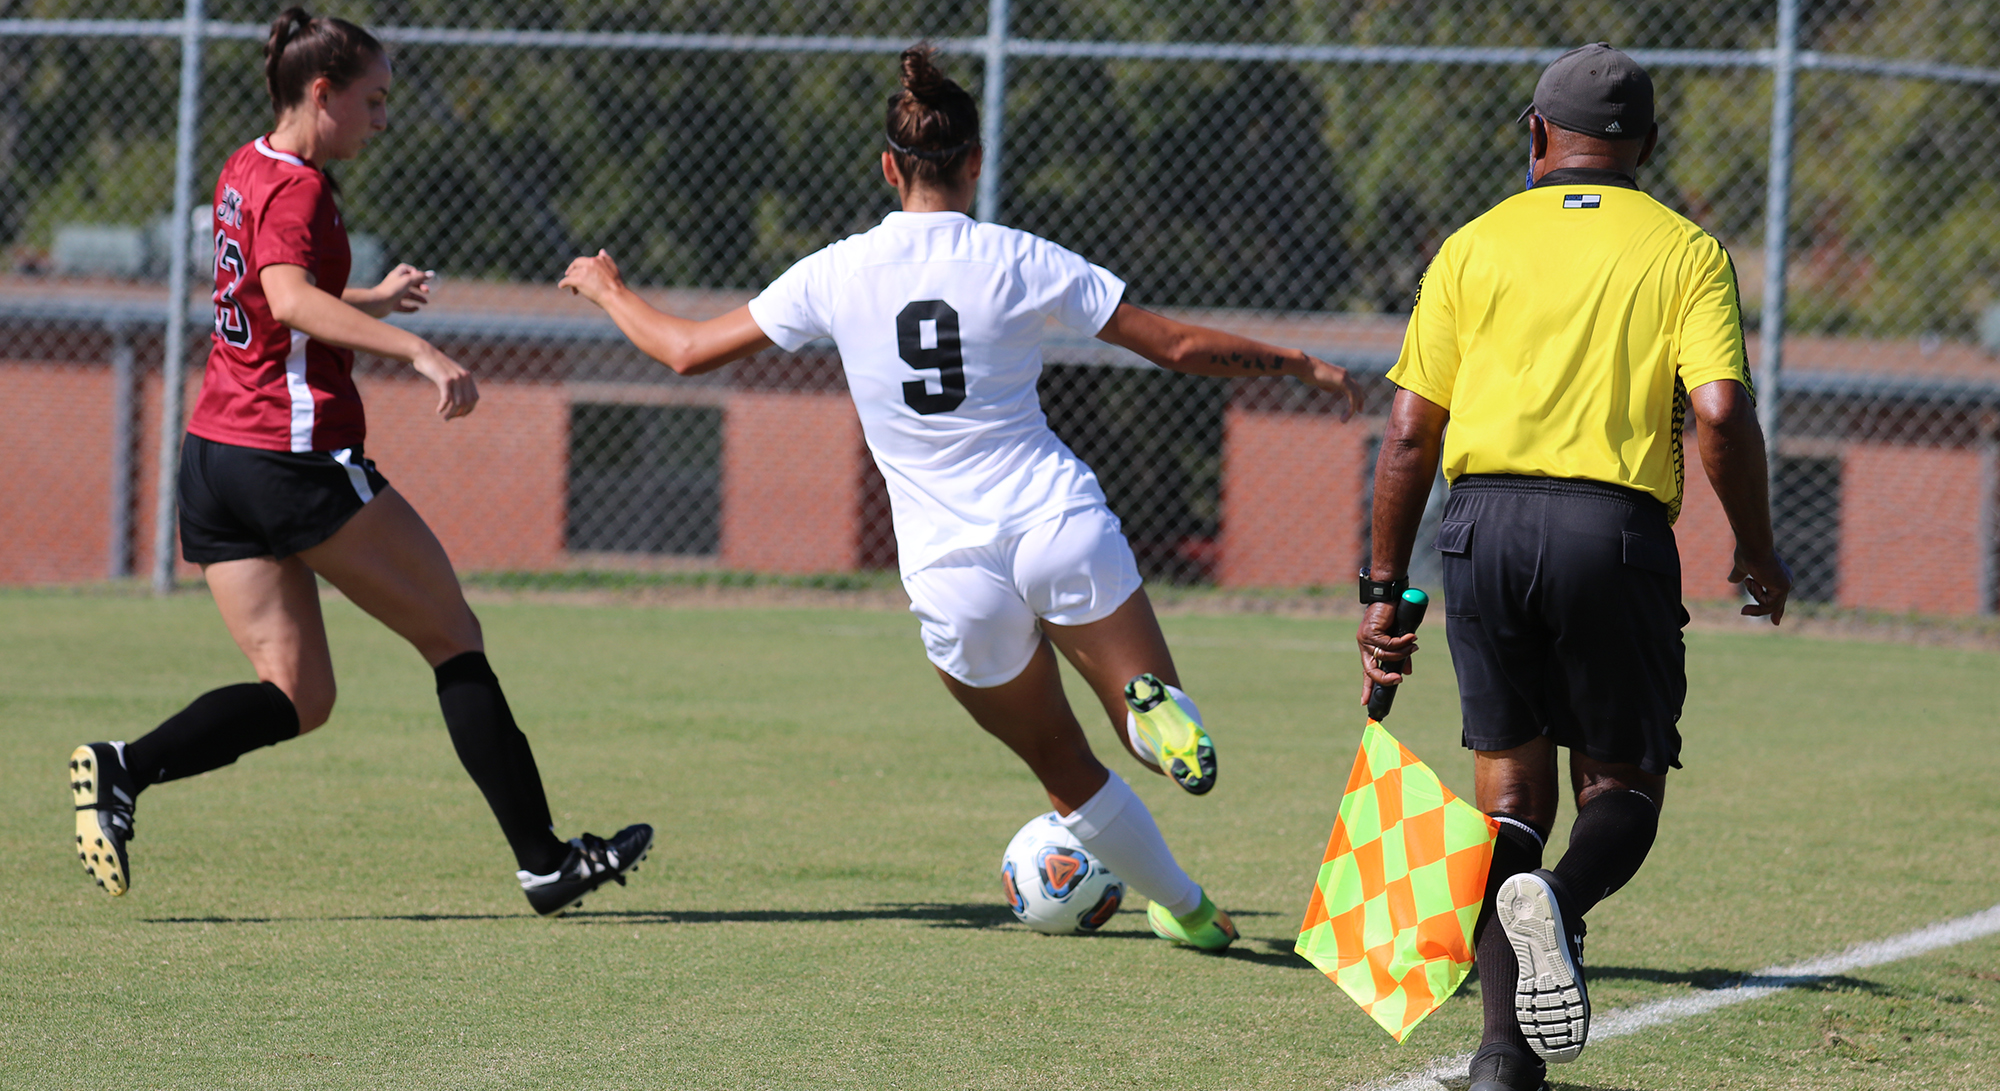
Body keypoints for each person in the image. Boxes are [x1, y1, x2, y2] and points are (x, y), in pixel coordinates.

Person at [562, 45, 1364, 952]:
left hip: (949, 569)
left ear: (887, 168)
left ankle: (1189, 910)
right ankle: (1151, 708)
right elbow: (1174, 347)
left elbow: (683, 350)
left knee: (1062, 763)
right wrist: (1295, 361)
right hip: (1054, 521)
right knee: (1139, 708)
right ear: (974, 163)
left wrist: (609, 288)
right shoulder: (1019, 259)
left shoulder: (837, 272)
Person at [67, 8, 650, 918]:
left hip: (215, 458)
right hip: (291, 459)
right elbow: (292, 299)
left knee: (299, 694)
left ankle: (122, 768)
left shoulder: (246, 165)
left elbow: (270, 294)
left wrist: (373, 296)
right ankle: (545, 862)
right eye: (372, 101)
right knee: (453, 637)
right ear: (321, 93)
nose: (383, 117)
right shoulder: (300, 189)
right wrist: (414, 351)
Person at [1354, 44, 1792, 1091]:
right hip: (1610, 529)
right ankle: (1560, 898)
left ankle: (1503, 1060)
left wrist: (1382, 591)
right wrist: (1755, 547)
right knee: (1620, 785)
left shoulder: (1471, 243)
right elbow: (1721, 413)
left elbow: (1410, 434)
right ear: (1643, 143)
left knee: (1508, 796)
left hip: (1479, 526)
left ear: (1535, 134)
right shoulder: (1685, 249)